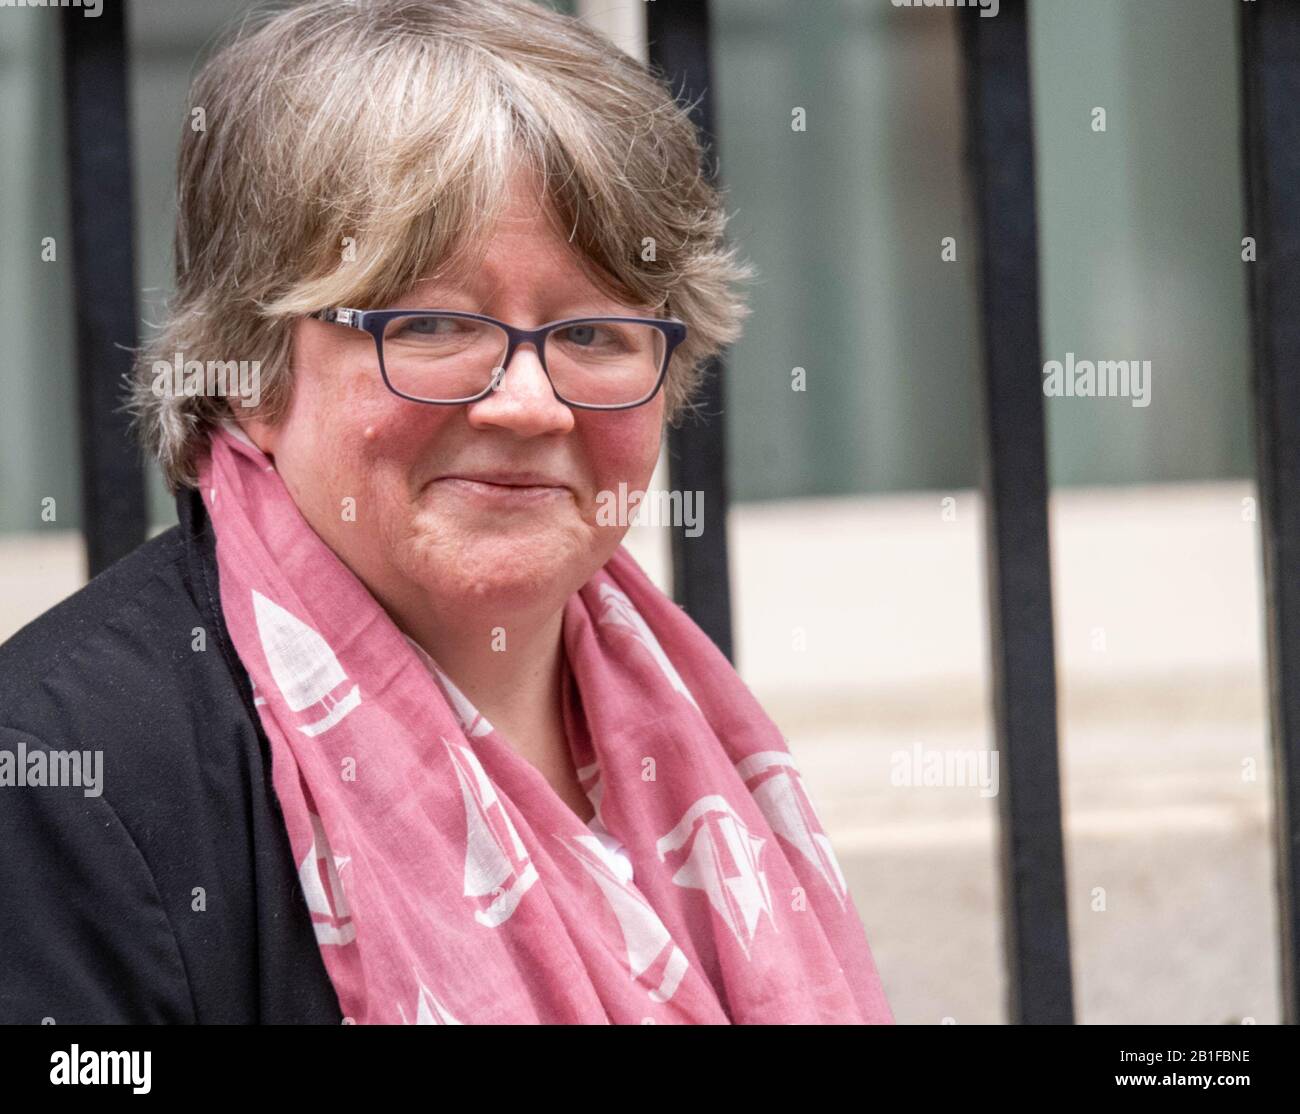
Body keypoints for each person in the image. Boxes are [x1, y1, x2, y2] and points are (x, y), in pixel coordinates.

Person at [0, 0, 893, 1024]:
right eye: (427, 323)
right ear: (249, 365)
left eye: (595, 335)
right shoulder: (61, 781)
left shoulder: (685, 717)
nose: (528, 401)